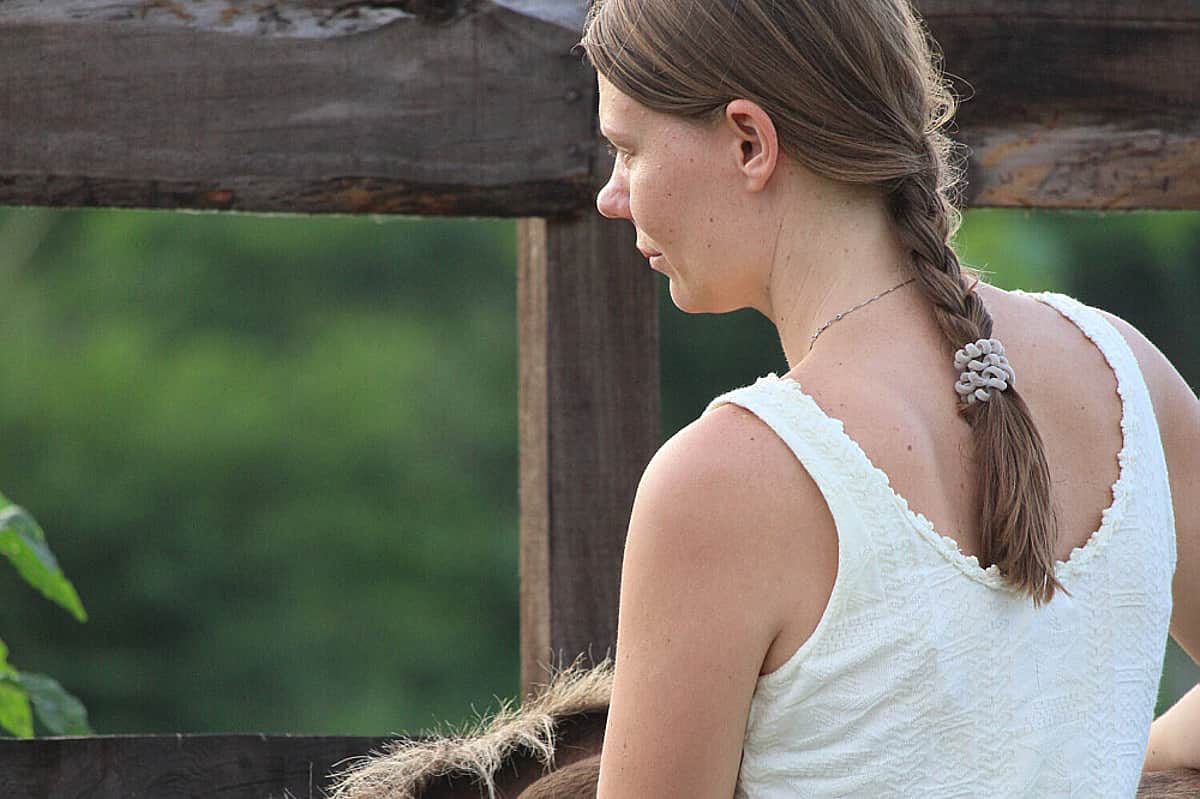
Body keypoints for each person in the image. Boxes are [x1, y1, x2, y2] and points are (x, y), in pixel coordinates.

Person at [578, 0, 1200, 796]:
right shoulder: (1128, 377)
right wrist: (1115, 759)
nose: (612, 195)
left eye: (627, 150)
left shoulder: (723, 483)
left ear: (748, 142)